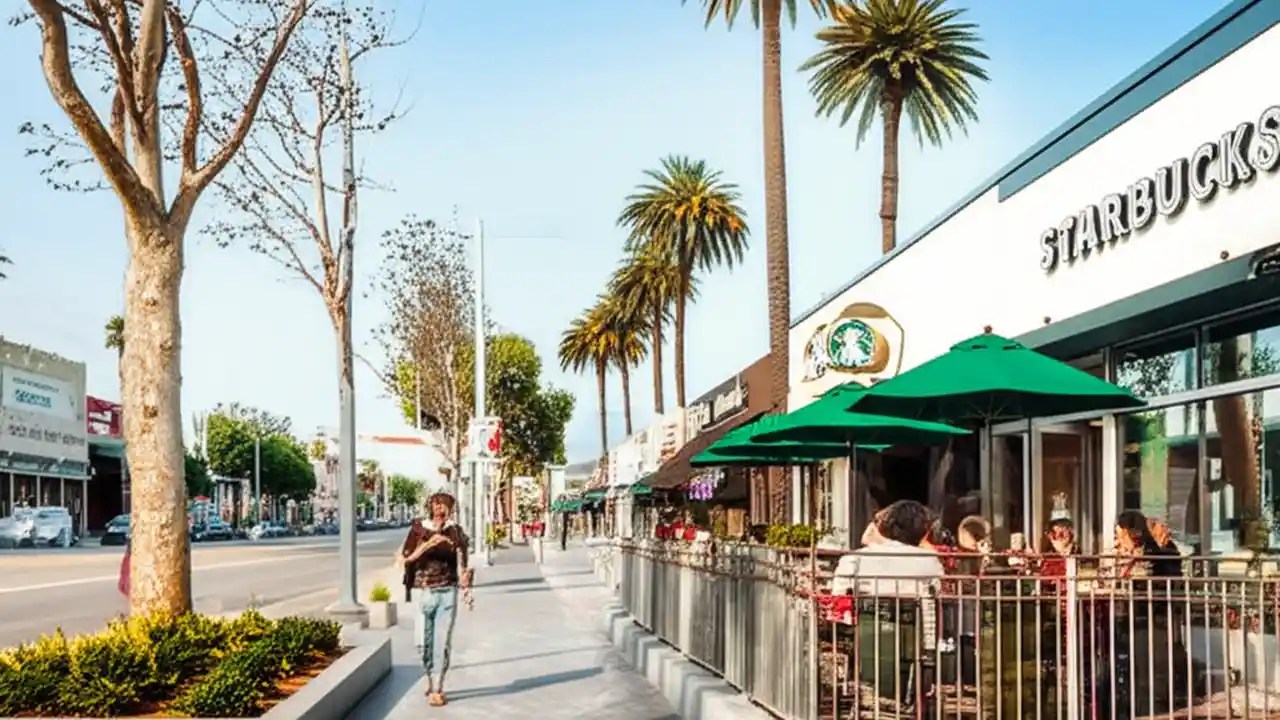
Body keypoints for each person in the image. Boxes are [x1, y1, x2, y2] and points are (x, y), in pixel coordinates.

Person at [402, 492, 473, 707]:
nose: (440, 510)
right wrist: (427, 544)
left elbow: (463, 565)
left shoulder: (456, 532)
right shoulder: (417, 530)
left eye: (445, 506)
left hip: (447, 591)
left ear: (450, 509)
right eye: (436, 505)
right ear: (430, 508)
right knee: (423, 644)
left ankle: (437, 687)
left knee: (442, 643)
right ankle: (429, 676)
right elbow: (406, 559)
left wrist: (467, 585)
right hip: (423, 593)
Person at [401, 518, 426, 602]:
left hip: (422, 556)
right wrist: (406, 553)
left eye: (418, 524)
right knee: (409, 571)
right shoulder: (412, 532)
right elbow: (407, 545)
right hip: (413, 556)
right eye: (415, 524)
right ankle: (408, 592)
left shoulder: (425, 531)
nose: (417, 526)